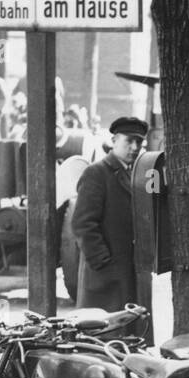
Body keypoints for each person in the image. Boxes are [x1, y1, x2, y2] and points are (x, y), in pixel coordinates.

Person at [72, 116, 148, 310]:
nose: (134, 147)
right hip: (104, 275)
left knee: (129, 331)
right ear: (114, 141)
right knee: (104, 332)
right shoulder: (96, 173)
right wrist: (103, 262)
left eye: (138, 141)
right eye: (128, 140)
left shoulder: (138, 175)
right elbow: (83, 223)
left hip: (128, 273)